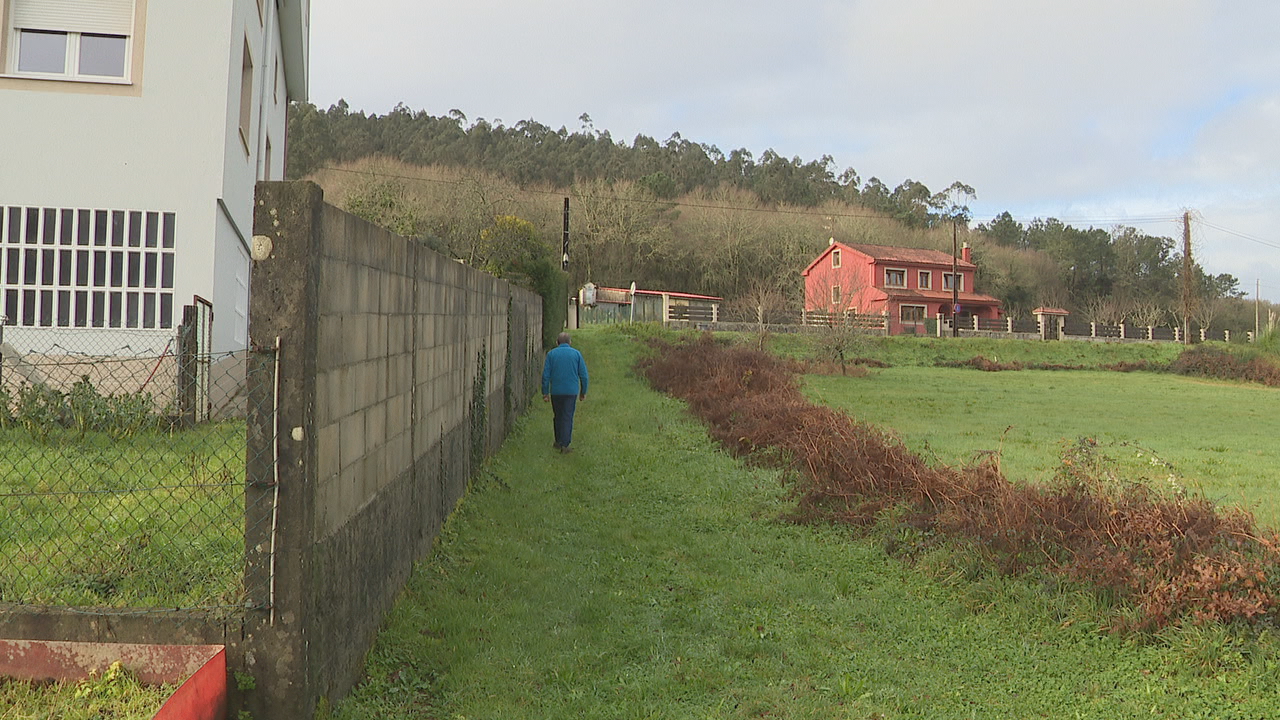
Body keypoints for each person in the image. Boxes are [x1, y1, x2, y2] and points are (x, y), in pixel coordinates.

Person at [542, 331, 589, 454]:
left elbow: (546, 376)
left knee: (558, 416)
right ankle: (565, 444)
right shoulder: (576, 354)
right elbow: (584, 376)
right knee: (567, 417)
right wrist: (583, 392)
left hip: (556, 391)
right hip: (571, 391)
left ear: (557, 342)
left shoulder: (551, 355)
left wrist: (545, 392)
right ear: (570, 342)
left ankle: (558, 441)